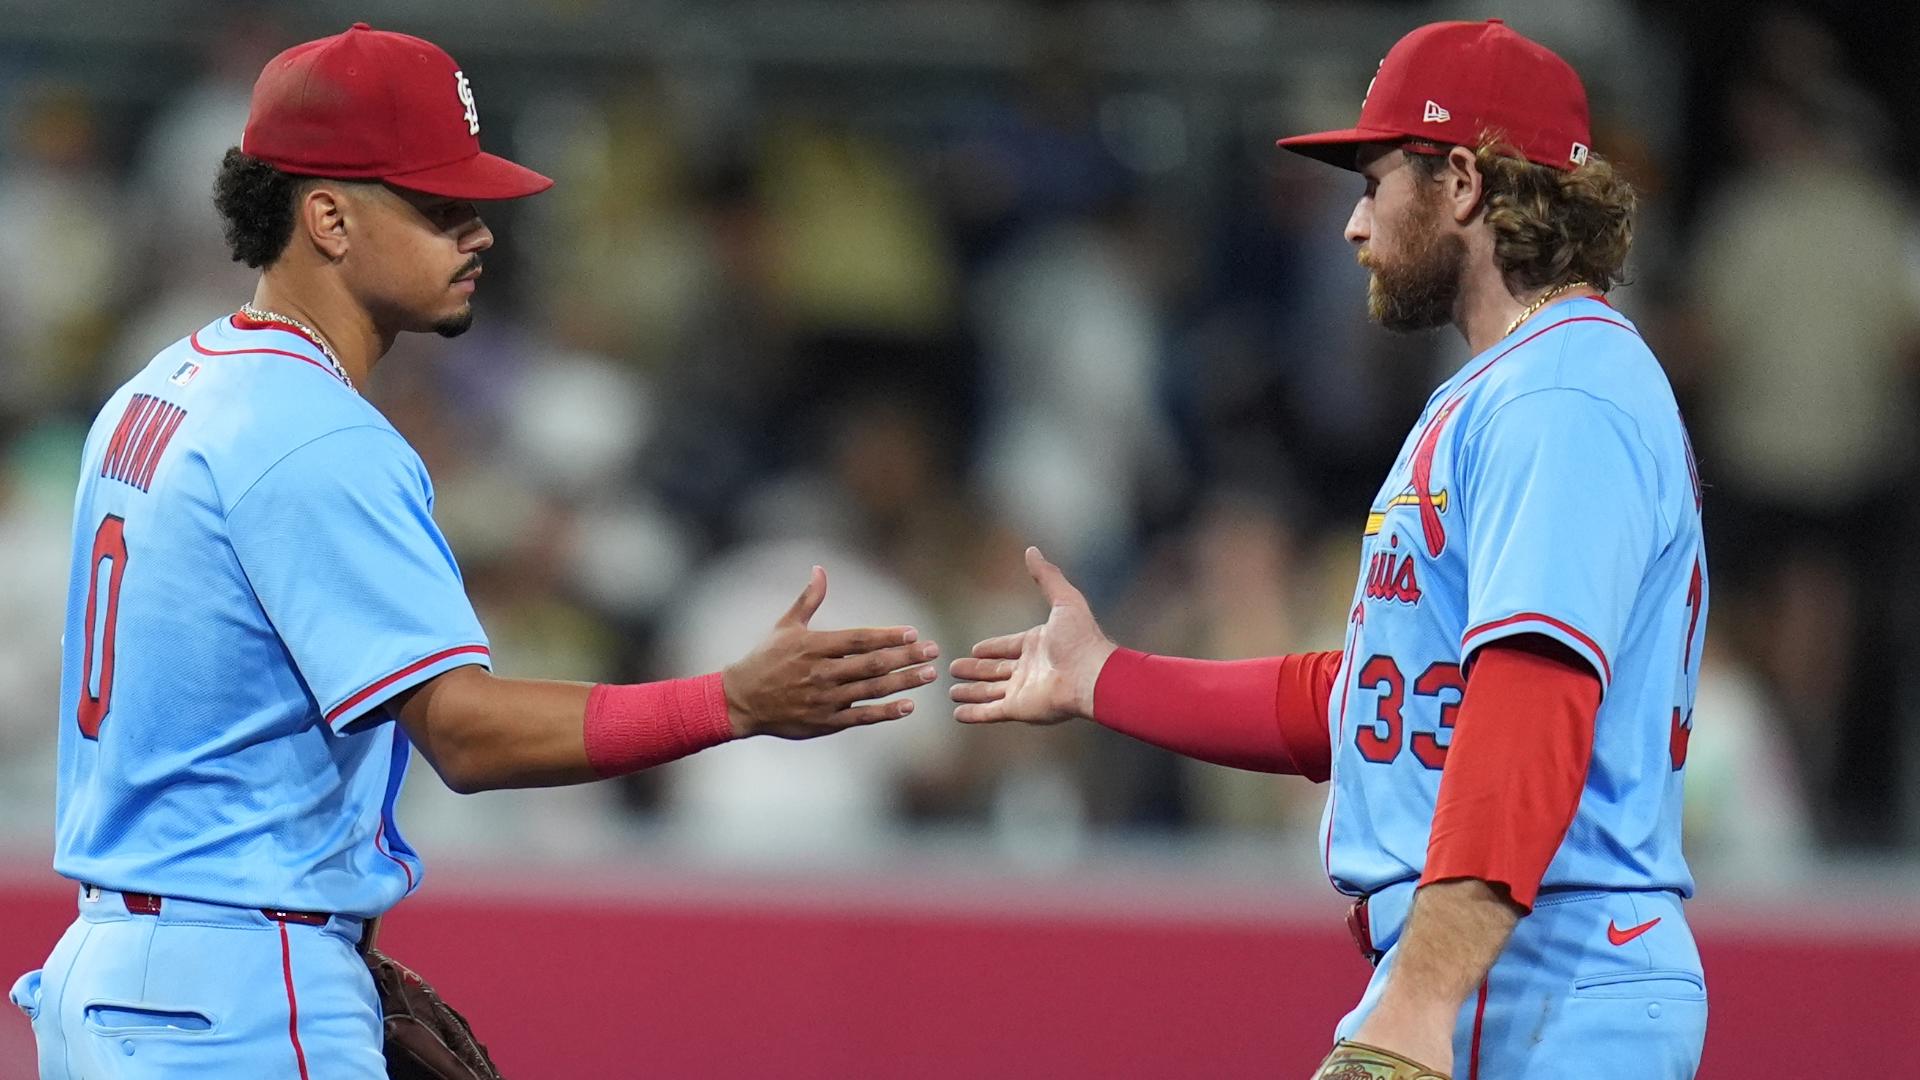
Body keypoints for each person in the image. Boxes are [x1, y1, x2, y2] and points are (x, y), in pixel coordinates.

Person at [7, 24, 939, 1080]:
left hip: (112, 973)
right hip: (234, 990)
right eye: (440, 206)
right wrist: (731, 702)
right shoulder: (315, 431)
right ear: (328, 217)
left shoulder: (159, 388)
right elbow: (466, 734)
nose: (481, 232)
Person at [952, 19, 1707, 1080]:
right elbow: (1373, 703)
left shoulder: (1565, 394)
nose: (1353, 225)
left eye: (1374, 179)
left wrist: (1421, 997)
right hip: (1510, 966)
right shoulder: (1519, 388)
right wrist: (1103, 678)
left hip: (1538, 974)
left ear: (1459, 183)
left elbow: (1532, 706)